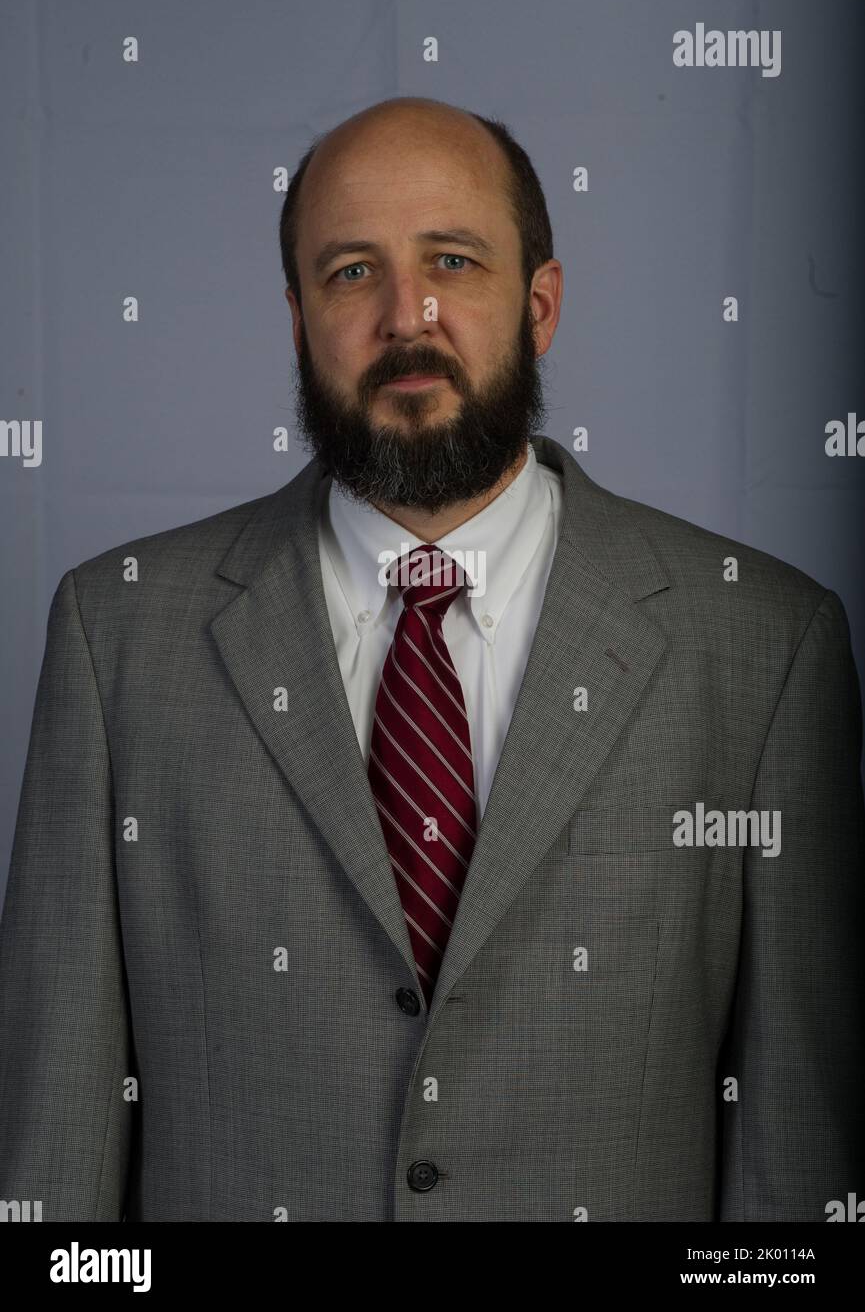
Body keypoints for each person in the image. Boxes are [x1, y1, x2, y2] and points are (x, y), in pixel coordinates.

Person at [0, 97, 862, 1222]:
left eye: (452, 260)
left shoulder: (762, 646)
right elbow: (55, 1153)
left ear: (540, 303)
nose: (409, 315)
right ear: (297, 316)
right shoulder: (114, 636)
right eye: (351, 273)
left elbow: (794, 1153)